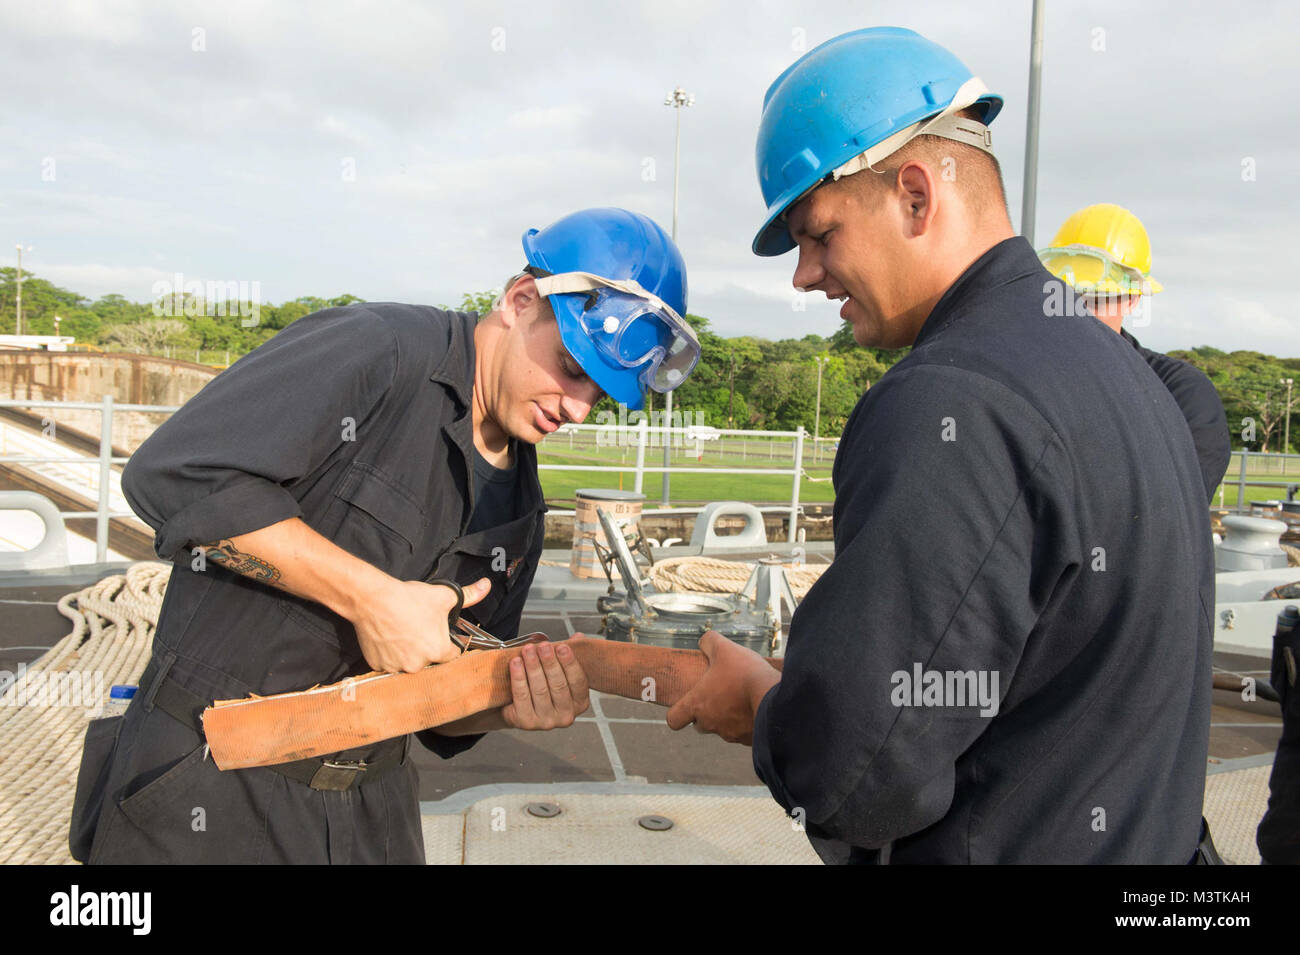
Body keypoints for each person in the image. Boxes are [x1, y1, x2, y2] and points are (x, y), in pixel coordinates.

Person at [666, 27, 1214, 863]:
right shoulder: (1131, 375)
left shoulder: (950, 397)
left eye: (818, 233)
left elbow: (855, 769)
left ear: (916, 195)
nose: (804, 276)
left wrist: (764, 709)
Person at [74, 207, 699, 864]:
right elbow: (174, 475)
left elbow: (444, 719)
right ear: (520, 301)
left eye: (598, 395)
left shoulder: (520, 512)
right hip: (209, 792)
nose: (576, 406)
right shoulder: (379, 349)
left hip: (373, 816)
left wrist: (508, 702)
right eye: (573, 367)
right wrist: (370, 599)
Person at [1038, 203, 1230, 501]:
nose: (1077, 313)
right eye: (1066, 297)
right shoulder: (1028, 381)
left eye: (1098, 298)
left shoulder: (1180, 392)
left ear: (1133, 299)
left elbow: (1169, 507)